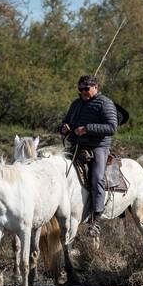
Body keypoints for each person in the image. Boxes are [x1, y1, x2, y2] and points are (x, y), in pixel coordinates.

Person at [59, 74, 118, 238]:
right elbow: (66, 121)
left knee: (97, 177)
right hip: (76, 145)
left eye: (86, 89)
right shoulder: (76, 104)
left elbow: (112, 127)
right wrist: (63, 127)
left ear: (96, 87)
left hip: (98, 146)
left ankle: (96, 219)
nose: (83, 92)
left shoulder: (105, 103)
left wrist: (86, 129)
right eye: (80, 89)